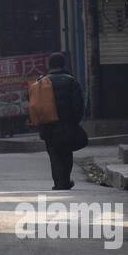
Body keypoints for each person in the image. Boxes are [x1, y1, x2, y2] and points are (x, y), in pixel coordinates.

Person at [37, 52, 85, 191]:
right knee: (66, 152)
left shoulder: (42, 82)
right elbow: (79, 105)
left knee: (54, 154)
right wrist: (75, 122)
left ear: (49, 65)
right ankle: (65, 180)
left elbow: (35, 104)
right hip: (67, 124)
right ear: (63, 64)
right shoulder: (71, 81)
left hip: (48, 125)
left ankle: (59, 182)